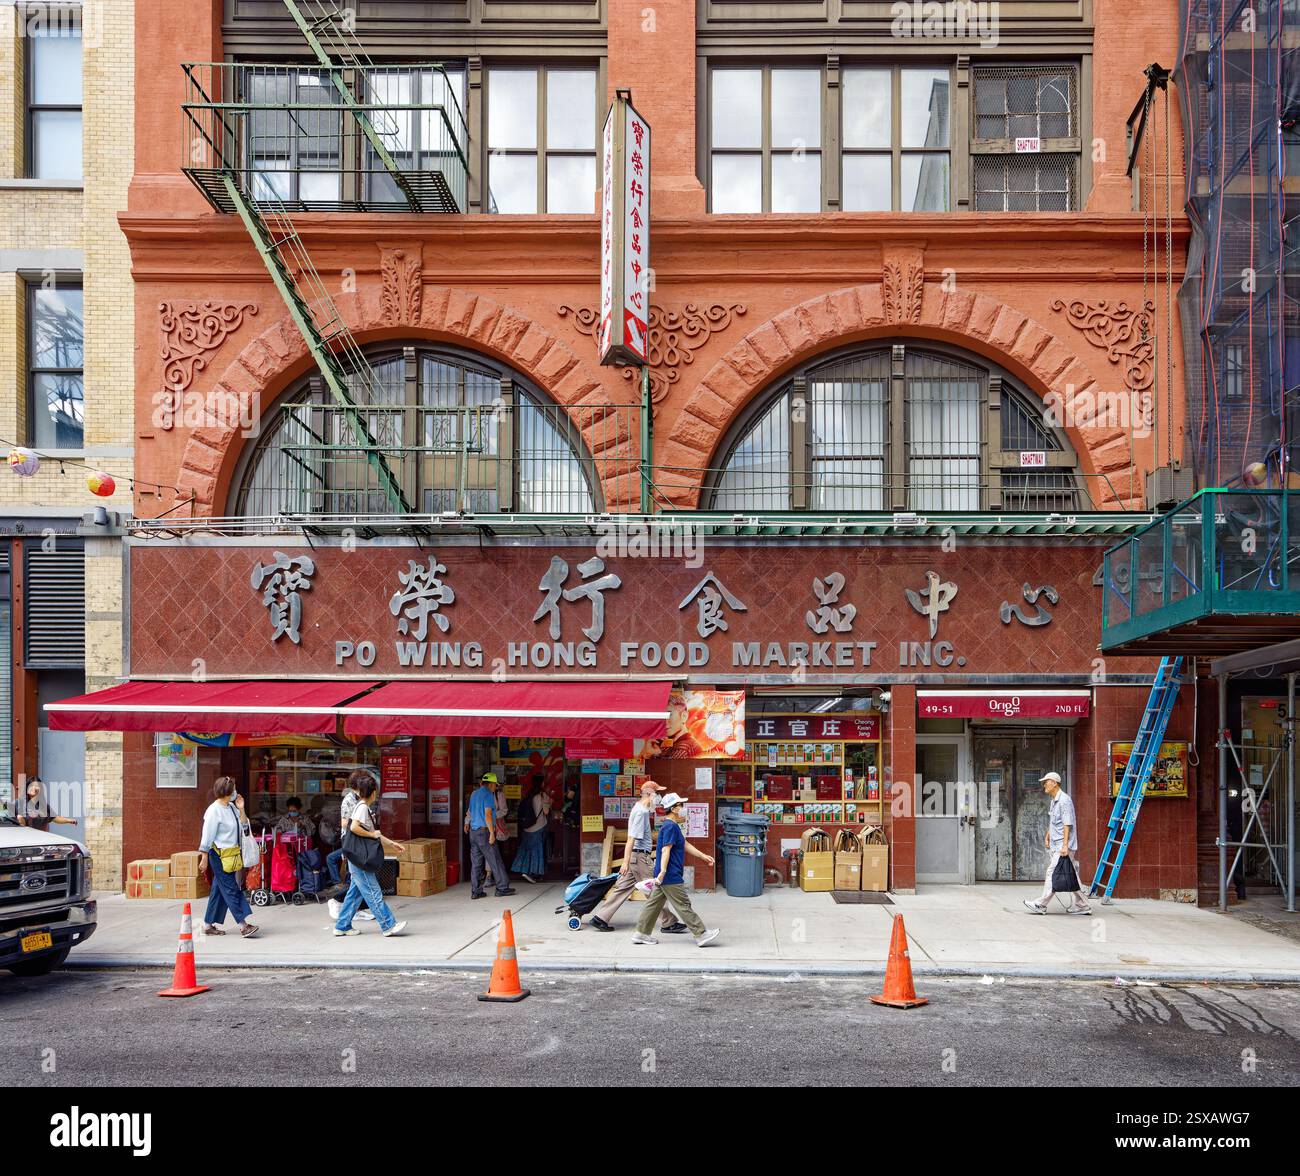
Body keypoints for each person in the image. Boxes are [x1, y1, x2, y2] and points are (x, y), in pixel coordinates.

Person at [589, 779, 684, 934]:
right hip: (640, 858)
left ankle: (600, 918)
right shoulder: (641, 812)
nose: (659, 798)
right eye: (657, 794)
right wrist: (625, 863)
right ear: (649, 794)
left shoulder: (641, 809)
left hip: (636, 858)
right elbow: (631, 839)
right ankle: (668, 922)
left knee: (622, 890)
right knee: (655, 890)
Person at [632, 792, 719, 947]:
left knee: (653, 904)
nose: (683, 808)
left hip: (664, 875)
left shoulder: (671, 826)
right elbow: (666, 850)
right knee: (683, 904)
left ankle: (641, 933)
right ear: (674, 809)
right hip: (670, 875)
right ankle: (701, 934)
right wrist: (663, 872)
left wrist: (703, 856)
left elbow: (684, 844)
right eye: (681, 805)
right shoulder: (670, 826)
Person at [333, 775, 407, 937]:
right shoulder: (362, 808)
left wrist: (391, 843)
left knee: (355, 893)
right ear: (373, 792)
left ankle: (342, 925)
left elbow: (371, 833)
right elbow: (354, 827)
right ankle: (388, 925)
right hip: (361, 859)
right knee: (373, 892)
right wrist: (373, 835)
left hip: (356, 857)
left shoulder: (361, 806)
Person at [197, 776, 259, 938]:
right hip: (219, 856)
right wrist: (204, 858)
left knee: (219, 890)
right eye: (234, 789)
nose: (236, 792)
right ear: (227, 792)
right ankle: (243, 925)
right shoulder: (213, 810)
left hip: (232, 855)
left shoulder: (232, 807)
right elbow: (207, 836)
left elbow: (244, 826)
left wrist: (242, 808)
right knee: (231, 889)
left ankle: (207, 925)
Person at [1023, 770, 1092, 915]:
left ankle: (1041, 904)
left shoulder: (1064, 800)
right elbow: (1054, 821)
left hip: (1063, 845)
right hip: (1057, 844)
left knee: (1052, 872)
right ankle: (1083, 904)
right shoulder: (1054, 800)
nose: (1044, 786)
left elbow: (1068, 824)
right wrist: (1048, 835)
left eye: (1046, 782)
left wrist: (1065, 846)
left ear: (1054, 783)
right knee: (1070, 874)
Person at [327, 770, 376, 922]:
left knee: (357, 880)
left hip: (361, 842)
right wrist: (361, 824)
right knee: (355, 878)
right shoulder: (349, 799)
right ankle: (336, 901)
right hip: (353, 843)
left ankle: (354, 911)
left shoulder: (360, 798)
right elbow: (344, 822)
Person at [466, 772, 516, 900]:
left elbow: (470, 812)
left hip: (474, 832)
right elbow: (488, 814)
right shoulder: (488, 795)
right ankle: (502, 888)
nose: (495, 788)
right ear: (491, 784)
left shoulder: (474, 794)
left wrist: (466, 823)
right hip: (484, 832)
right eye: (495, 785)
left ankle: (476, 891)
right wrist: (492, 833)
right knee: (495, 860)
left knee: (476, 862)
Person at [511, 774, 551, 883]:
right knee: (537, 851)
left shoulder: (529, 794)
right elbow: (546, 812)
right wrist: (549, 803)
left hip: (527, 827)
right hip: (538, 826)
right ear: (542, 783)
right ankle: (534, 873)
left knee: (525, 849)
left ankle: (524, 870)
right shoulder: (543, 796)